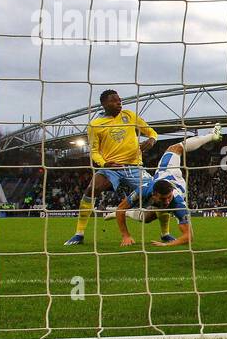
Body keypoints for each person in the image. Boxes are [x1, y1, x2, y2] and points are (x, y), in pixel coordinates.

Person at [64, 89, 157, 245]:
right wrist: (104, 163)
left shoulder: (129, 115)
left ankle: (165, 234)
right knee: (92, 188)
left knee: (160, 190)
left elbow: (151, 132)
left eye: (119, 100)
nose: (119, 103)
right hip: (111, 168)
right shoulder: (95, 125)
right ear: (104, 104)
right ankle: (79, 234)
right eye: (114, 100)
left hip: (134, 167)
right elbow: (94, 152)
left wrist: (152, 140)